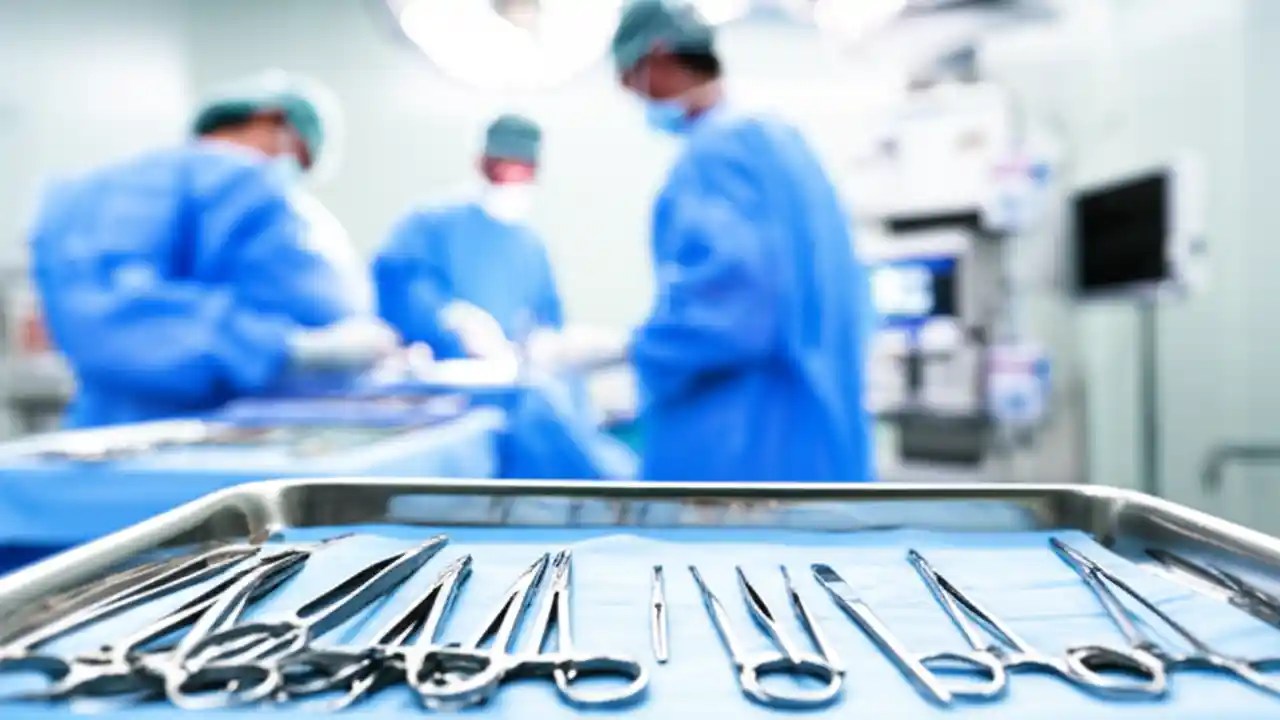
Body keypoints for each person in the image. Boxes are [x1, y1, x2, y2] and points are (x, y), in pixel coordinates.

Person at [30, 70, 398, 427]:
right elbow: (115, 316)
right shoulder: (222, 182)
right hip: (181, 438)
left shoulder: (118, 189)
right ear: (270, 121)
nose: (290, 173)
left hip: (230, 438)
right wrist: (293, 349)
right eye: (299, 155)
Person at [611, 0, 876, 482]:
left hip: (744, 452)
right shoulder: (781, 140)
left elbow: (731, 310)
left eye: (631, 78)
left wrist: (632, 349)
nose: (633, 95)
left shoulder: (718, 151)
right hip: (816, 442)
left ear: (658, 56)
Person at [374, 113, 562, 361]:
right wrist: (449, 317)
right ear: (480, 163)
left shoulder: (532, 248)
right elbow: (397, 284)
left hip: (509, 387)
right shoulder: (430, 224)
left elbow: (548, 321)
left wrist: (539, 347)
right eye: (502, 170)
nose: (512, 182)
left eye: (522, 171)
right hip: (435, 382)